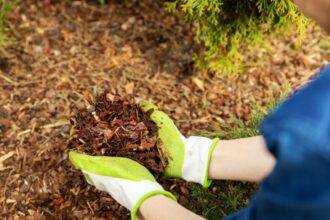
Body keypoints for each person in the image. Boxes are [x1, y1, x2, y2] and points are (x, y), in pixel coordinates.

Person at [69, 1, 330, 219]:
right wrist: (194, 156)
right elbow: (313, 159)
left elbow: (313, 152)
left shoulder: (309, 124)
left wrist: (139, 194)